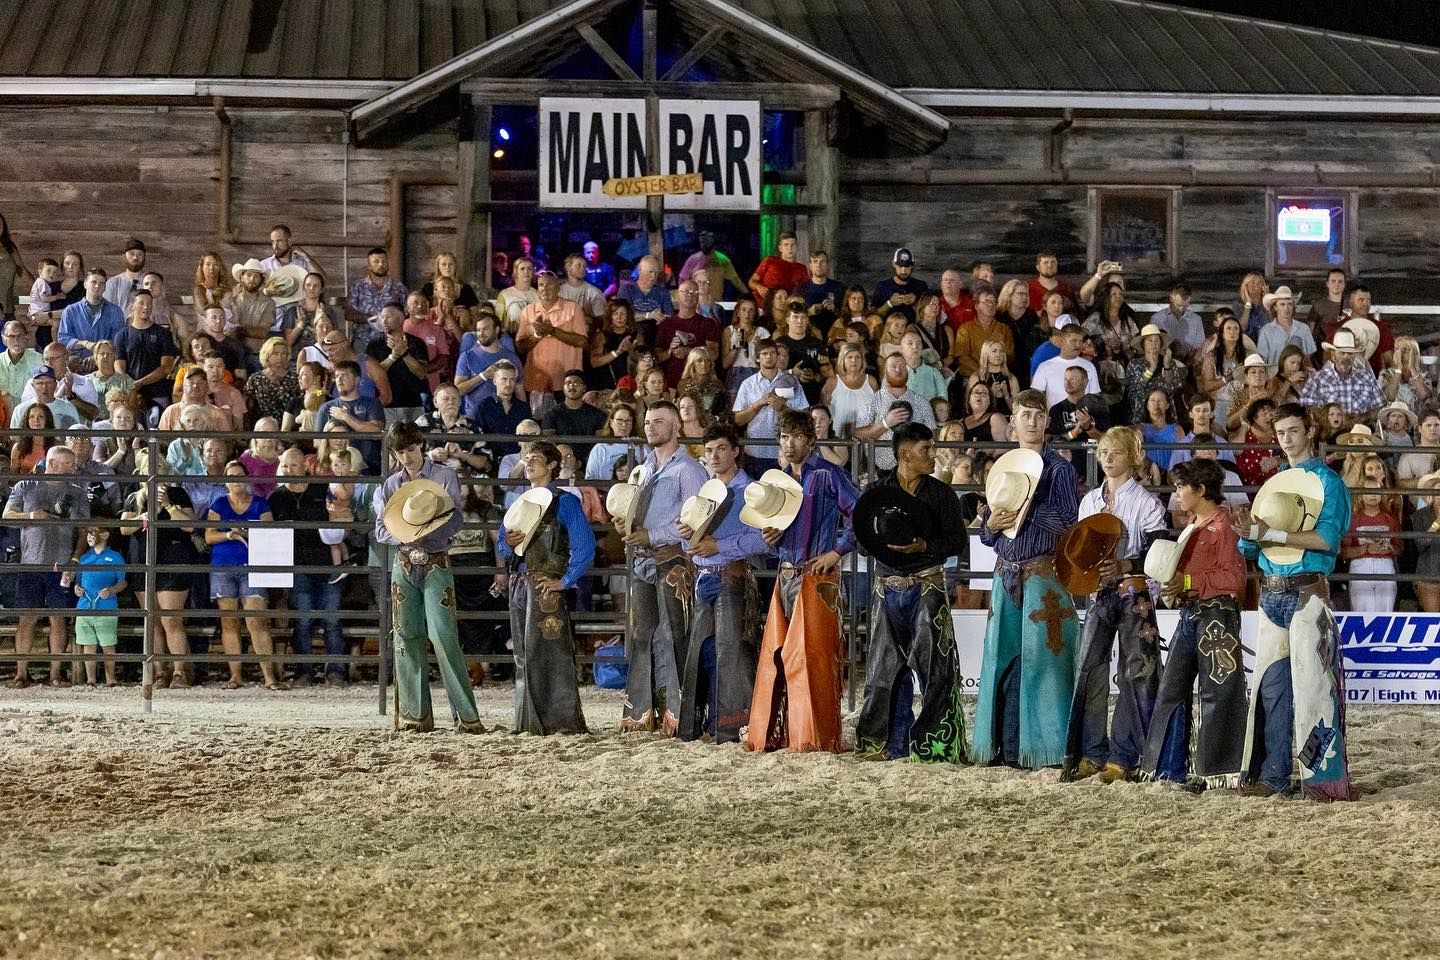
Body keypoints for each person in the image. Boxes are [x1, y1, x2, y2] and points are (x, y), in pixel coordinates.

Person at [1234, 401, 1352, 800]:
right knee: (1274, 689)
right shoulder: (1277, 482)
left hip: (1305, 592)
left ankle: (1319, 780)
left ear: (1309, 432)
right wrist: (1250, 536)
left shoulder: (1329, 483)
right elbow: (1249, 547)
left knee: (1313, 689)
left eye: (1292, 432)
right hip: (1274, 590)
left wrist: (1270, 535)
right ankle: (1275, 777)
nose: (1285, 439)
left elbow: (1326, 541)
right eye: (1280, 432)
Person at [974, 389, 1080, 769]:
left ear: (1046, 420)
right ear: (1013, 422)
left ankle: (1045, 750)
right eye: (1025, 415)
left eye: (1038, 415)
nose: (1032, 422)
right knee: (1000, 660)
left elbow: (1069, 524)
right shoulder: (1002, 468)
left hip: (1043, 573)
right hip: (1006, 572)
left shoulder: (1060, 470)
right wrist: (991, 524)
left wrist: (1027, 507)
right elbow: (989, 534)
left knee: (1044, 663)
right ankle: (1004, 746)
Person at [746, 409, 860, 753]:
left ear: (810, 440)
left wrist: (836, 552)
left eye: (796, 436)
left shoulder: (828, 475)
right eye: (784, 437)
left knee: (812, 656)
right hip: (787, 572)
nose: (789, 443)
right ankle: (795, 734)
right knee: (784, 657)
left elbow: (860, 513)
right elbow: (779, 531)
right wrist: (772, 537)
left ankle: (813, 735)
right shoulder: (779, 479)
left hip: (816, 573)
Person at [853, 422, 968, 762]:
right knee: (883, 669)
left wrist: (924, 544)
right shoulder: (877, 492)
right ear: (905, 454)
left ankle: (924, 745)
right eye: (926, 450)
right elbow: (861, 542)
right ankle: (892, 743)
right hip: (893, 586)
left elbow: (957, 541)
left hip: (923, 584)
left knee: (934, 668)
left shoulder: (940, 494)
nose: (933, 456)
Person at [1062, 427, 1167, 783]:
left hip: (1133, 592)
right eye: (1104, 452)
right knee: (1090, 669)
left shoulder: (1147, 503)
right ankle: (1093, 752)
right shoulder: (1089, 501)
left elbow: (1158, 553)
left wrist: (1123, 565)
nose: (1107, 459)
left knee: (1133, 673)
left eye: (1115, 453)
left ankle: (1123, 755)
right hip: (1100, 592)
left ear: (1131, 457)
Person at [1140, 457, 1250, 789]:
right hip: (1197, 613)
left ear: (1200, 490)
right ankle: (1171, 768)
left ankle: (1213, 771)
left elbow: (1233, 577)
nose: (1176, 493)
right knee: (1175, 687)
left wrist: (1186, 582)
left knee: (1216, 691)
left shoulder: (1224, 527)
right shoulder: (1199, 523)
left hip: (1215, 615)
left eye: (1180, 487)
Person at [373, 420, 485, 733]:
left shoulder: (443, 474)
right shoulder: (391, 485)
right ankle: (415, 716)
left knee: (443, 635)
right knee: (406, 636)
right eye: (401, 451)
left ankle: (464, 717)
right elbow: (382, 529)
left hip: (430, 559)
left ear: (420, 445)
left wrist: (411, 535)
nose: (406, 456)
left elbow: (454, 520)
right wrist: (411, 537)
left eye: (410, 449)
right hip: (411, 560)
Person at [613, 401, 708, 735]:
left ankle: (680, 712)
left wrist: (650, 533)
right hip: (644, 556)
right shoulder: (645, 468)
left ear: (675, 428)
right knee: (642, 634)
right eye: (649, 421)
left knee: (674, 633)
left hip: (672, 559)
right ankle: (644, 711)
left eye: (659, 422)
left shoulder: (689, 470)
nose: (651, 427)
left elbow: (696, 521)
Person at [495, 440, 597, 735]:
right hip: (522, 582)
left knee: (545, 653)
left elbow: (585, 546)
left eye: (536, 458)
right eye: (527, 458)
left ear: (552, 465)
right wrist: (507, 544)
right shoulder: (520, 501)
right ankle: (534, 721)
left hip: (541, 584)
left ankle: (552, 721)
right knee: (525, 654)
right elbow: (503, 543)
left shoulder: (564, 502)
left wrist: (565, 581)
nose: (528, 463)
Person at [3, 445, 89, 687]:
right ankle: (21, 672)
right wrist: (31, 517)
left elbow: (84, 530)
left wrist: (74, 559)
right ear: (51, 464)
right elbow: (7, 516)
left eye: (71, 464)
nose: (72, 468)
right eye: (67, 464)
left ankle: (55, 673)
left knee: (57, 618)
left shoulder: (78, 493)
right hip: (31, 562)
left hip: (60, 563)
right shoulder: (26, 486)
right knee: (27, 618)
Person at [205, 461, 287, 691]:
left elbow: (270, 533)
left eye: (239, 475)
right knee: (228, 621)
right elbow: (209, 536)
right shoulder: (219, 504)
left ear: (246, 477)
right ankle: (235, 675)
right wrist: (230, 535)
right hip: (223, 565)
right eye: (230, 476)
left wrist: (247, 533)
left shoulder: (260, 503)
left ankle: (269, 676)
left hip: (253, 565)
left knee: (256, 620)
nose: (235, 480)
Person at [515, 271, 588, 418]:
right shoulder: (528, 311)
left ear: (558, 287)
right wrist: (537, 335)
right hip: (537, 381)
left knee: (567, 423)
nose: (544, 288)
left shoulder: (573, 308)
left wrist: (553, 331)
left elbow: (581, 340)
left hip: (567, 382)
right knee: (538, 424)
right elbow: (520, 347)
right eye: (541, 285)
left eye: (549, 285)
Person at [854, 352, 938, 472]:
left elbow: (932, 436)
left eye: (903, 366)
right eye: (893, 366)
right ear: (885, 371)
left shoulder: (921, 401)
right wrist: (885, 424)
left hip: (914, 471)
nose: (898, 370)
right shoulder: (871, 400)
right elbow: (859, 434)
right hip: (880, 472)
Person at [733, 339, 809, 473]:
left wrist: (783, 409)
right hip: (755, 453)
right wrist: (758, 404)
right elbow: (738, 420)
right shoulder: (748, 384)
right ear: (757, 358)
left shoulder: (792, 381)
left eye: (773, 353)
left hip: (784, 453)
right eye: (764, 354)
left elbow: (805, 417)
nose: (769, 357)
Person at [73, 525, 126, 687]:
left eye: (93, 533)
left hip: (106, 607)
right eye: (88, 533)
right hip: (84, 607)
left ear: (105, 535)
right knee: (88, 645)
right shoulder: (84, 558)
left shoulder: (116, 557)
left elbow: (122, 582)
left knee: (107, 645)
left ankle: (111, 679)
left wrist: (111, 591)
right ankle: (90, 680)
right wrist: (77, 589)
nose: (89, 536)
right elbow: (78, 581)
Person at [1300, 328, 1383, 420]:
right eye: (1342, 353)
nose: (1346, 357)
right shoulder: (1317, 379)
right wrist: (1327, 420)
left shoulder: (1367, 378)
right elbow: (1308, 405)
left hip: (1359, 431)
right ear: (1333, 355)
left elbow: (1379, 406)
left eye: (1350, 353)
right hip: (1328, 433)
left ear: (1355, 356)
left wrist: (1363, 417)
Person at [1344, 478, 1401, 613]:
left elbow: (1399, 548)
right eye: (1369, 491)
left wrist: (1391, 549)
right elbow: (1343, 552)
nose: (1373, 495)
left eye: (1376, 491)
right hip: (1360, 565)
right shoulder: (1352, 520)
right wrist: (1366, 549)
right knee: (1361, 609)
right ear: (1361, 495)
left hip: (1385, 563)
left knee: (1386, 609)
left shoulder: (1390, 519)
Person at [656, 279, 721, 387]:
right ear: (677, 295)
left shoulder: (708, 323)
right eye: (685, 291)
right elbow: (657, 357)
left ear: (698, 297)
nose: (689, 295)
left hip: (699, 385)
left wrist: (689, 351)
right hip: (670, 384)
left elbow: (714, 354)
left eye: (693, 293)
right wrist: (670, 351)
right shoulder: (666, 324)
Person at [57, 268, 125, 362]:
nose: (97, 286)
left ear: (105, 287)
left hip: (104, 365)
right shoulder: (71, 311)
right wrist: (85, 343)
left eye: (101, 283)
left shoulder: (115, 311)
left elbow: (118, 342)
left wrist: (97, 357)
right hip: (76, 365)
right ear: (85, 284)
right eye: (93, 282)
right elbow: (63, 340)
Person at [540, 369, 605, 459]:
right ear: (563, 387)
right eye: (568, 383)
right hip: (560, 462)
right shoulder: (551, 414)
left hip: (589, 462)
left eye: (576, 383)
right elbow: (550, 444)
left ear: (584, 388)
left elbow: (600, 445)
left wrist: (581, 463)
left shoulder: (598, 415)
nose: (571, 386)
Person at [346, 247, 408, 327]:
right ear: (369, 265)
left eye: (384, 261)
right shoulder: (357, 287)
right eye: (376, 262)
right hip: (363, 338)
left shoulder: (399, 288)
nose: (381, 264)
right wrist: (371, 319)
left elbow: (407, 313)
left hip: (391, 338)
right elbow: (348, 314)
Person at [1256, 286, 1316, 365]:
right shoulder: (1266, 331)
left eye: (1289, 304)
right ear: (1275, 307)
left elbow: (1307, 358)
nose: (1286, 308)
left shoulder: (1304, 328)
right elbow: (1263, 361)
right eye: (1282, 304)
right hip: (1275, 375)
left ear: (1293, 306)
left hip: (1299, 374)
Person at [748, 232, 809, 306]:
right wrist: (758, 287)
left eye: (793, 245)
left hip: (784, 308)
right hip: (761, 305)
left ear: (797, 247)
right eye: (786, 245)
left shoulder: (801, 268)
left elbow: (806, 290)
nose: (790, 248)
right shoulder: (770, 261)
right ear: (780, 248)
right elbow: (751, 282)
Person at [872, 247, 928, 323]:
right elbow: (873, 316)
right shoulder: (882, 286)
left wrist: (915, 304)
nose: (903, 271)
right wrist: (889, 304)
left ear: (912, 266)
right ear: (894, 264)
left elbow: (930, 315)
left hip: (915, 331)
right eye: (900, 266)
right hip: (888, 332)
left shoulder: (921, 286)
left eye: (907, 266)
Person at [1153, 281, 1206, 362]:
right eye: (1178, 305)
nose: (1181, 309)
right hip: (1162, 361)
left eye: (1185, 306)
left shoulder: (1196, 320)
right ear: (1171, 298)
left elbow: (1200, 347)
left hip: (1189, 362)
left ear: (1189, 301)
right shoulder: (1157, 318)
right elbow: (1152, 344)